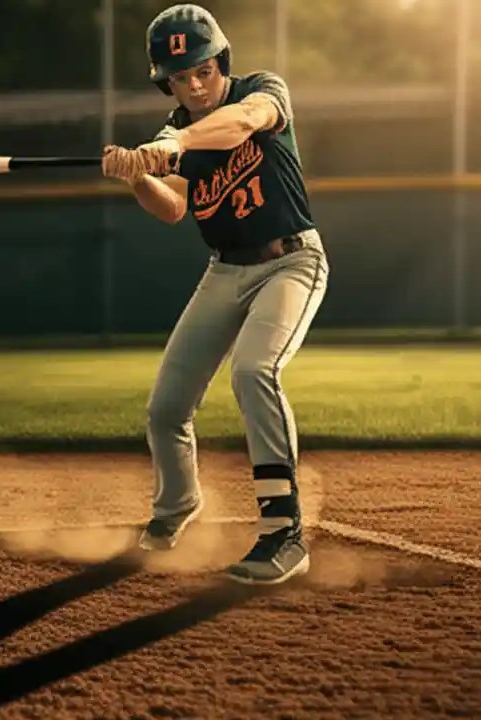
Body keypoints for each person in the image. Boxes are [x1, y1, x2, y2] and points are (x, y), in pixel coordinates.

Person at [101, 4, 329, 586]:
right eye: (181, 77)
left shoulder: (260, 89)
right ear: (166, 82)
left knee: (255, 370)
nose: (195, 84)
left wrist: (170, 145)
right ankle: (174, 509)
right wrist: (137, 175)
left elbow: (242, 123)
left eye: (203, 69)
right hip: (225, 272)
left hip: (291, 263)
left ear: (220, 61)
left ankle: (285, 533)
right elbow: (172, 207)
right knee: (166, 408)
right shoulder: (176, 133)